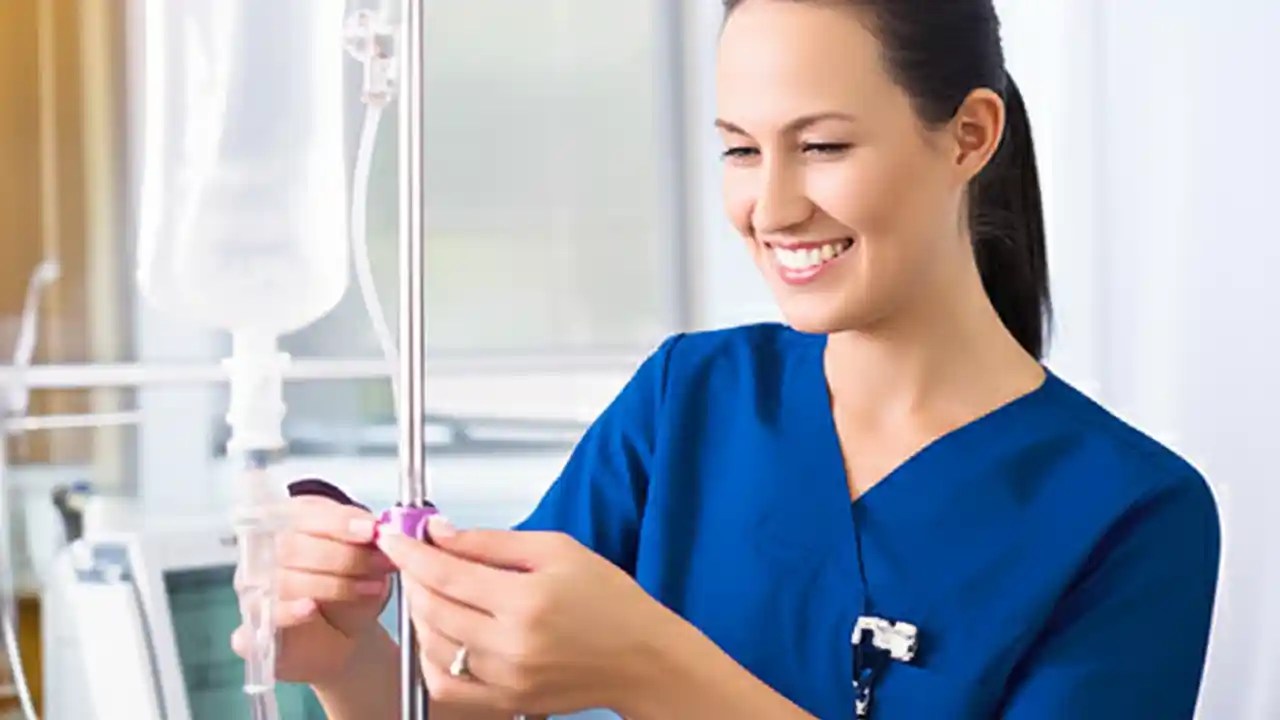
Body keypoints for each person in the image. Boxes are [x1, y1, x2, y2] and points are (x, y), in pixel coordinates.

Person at [232, 1, 1221, 717]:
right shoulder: (687, 402)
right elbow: (470, 701)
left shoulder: (1130, 514)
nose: (771, 207)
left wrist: (648, 668)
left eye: (823, 146)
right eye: (739, 151)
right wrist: (348, 661)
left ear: (967, 135)